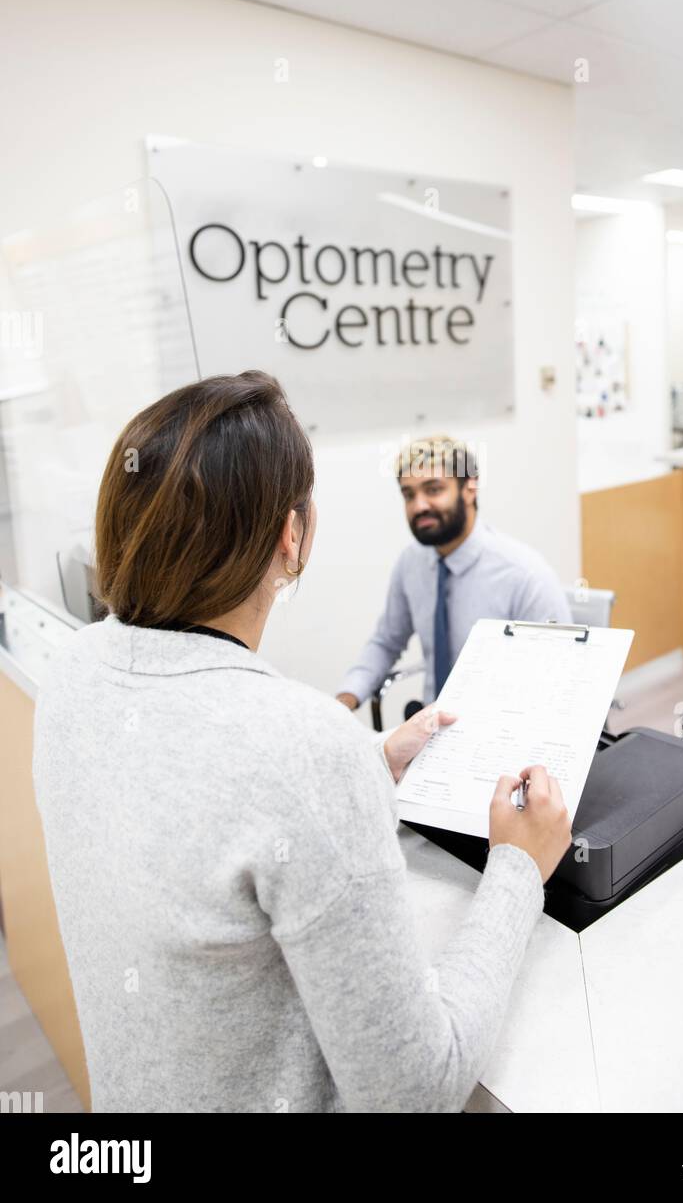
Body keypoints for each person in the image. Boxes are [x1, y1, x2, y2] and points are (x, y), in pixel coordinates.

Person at [33, 371, 572, 1113]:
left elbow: (207, 803)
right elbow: (415, 1091)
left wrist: (365, 758)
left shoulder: (70, 671)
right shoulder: (300, 746)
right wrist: (517, 867)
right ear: (293, 535)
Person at [337, 434, 572, 714]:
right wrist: (344, 701)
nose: (419, 506)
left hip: (503, 730)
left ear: (469, 489)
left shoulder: (525, 576)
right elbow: (386, 641)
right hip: (429, 727)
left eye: (433, 489)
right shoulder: (411, 563)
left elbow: (558, 682)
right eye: (409, 494)